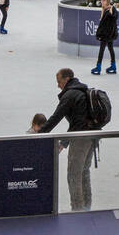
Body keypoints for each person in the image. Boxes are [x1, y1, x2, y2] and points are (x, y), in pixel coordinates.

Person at [34, 68, 98, 211]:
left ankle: (77, 210)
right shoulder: (82, 89)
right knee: (84, 172)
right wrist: (64, 142)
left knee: (73, 175)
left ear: (67, 79)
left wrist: (38, 135)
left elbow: (56, 118)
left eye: (59, 81)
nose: (58, 85)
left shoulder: (69, 95)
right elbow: (78, 122)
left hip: (81, 139)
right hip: (93, 136)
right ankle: (86, 208)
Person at [91, 0, 118, 75]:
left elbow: (113, 19)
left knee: (101, 50)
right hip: (109, 34)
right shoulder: (104, 10)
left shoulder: (111, 9)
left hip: (106, 34)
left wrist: (99, 35)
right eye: (101, 0)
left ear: (107, 1)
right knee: (110, 48)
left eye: (104, 0)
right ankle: (113, 66)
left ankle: (98, 67)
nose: (102, 2)